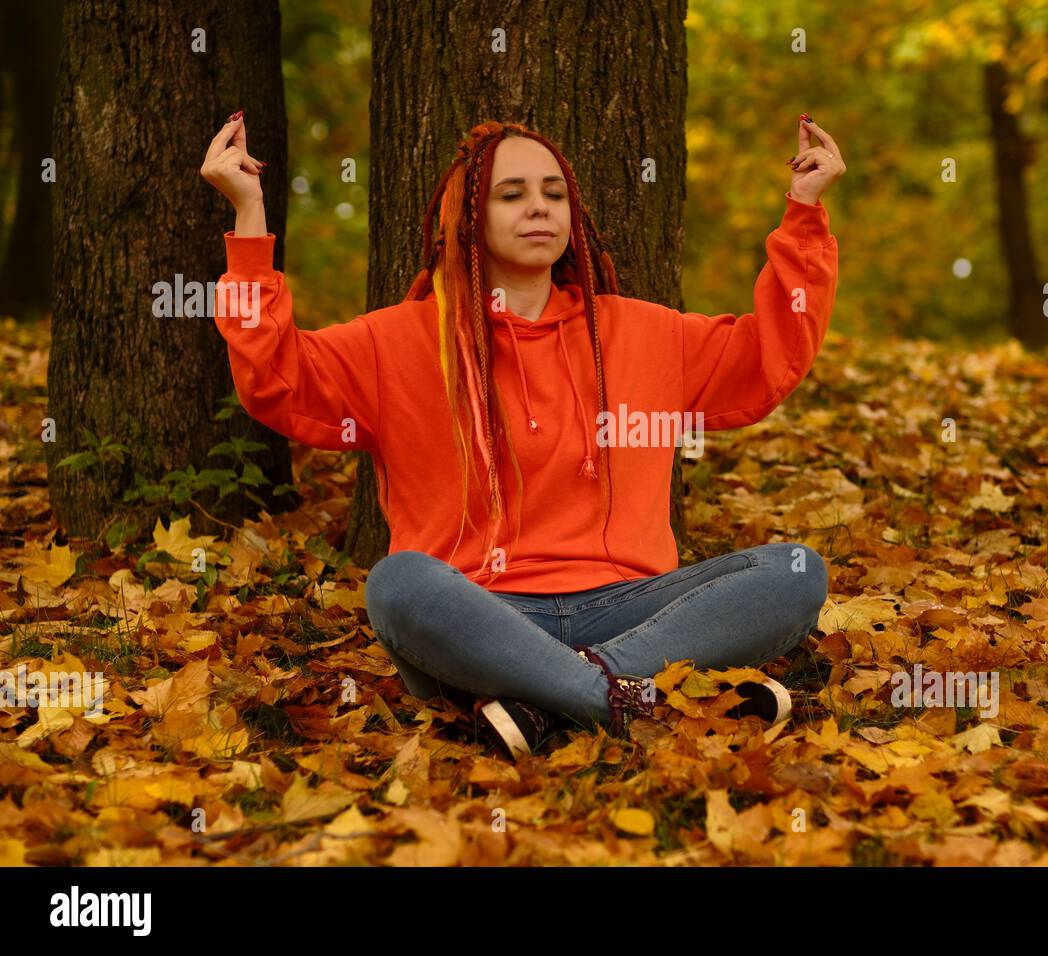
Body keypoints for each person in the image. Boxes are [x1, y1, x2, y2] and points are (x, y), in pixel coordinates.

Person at [201, 112, 843, 760]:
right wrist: (248, 219)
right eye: (512, 195)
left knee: (794, 572)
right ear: (467, 218)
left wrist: (805, 212)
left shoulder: (647, 333)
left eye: (553, 193)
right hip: (481, 619)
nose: (538, 208)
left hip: (630, 607)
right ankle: (638, 698)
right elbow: (274, 380)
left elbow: (770, 355)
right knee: (398, 584)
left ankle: (546, 703)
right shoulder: (397, 340)